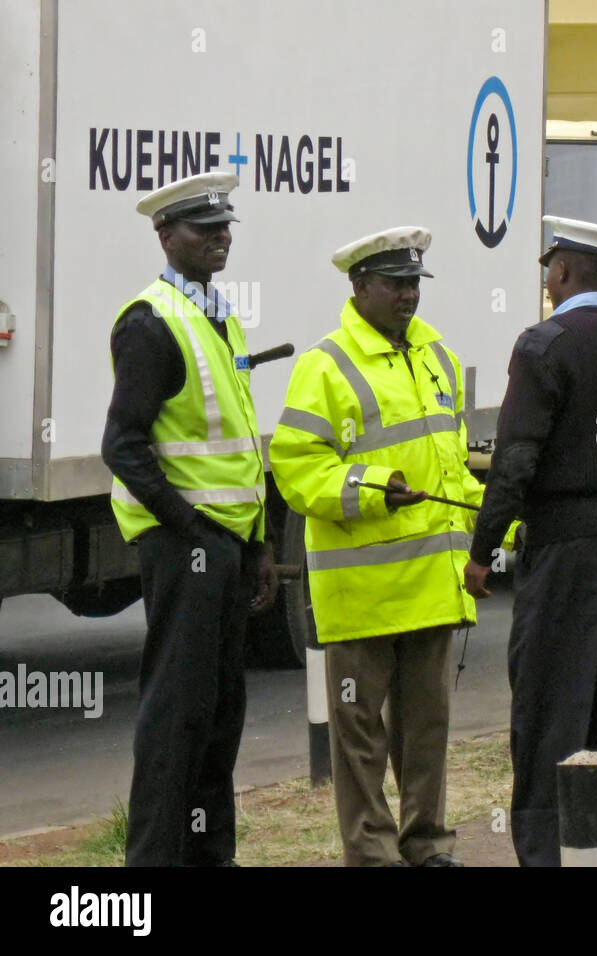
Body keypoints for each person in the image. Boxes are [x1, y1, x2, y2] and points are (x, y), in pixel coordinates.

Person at [270, 226, 497, 866]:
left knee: (426, 731)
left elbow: (455, 467)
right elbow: (295, 467)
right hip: (362, 593)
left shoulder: (438, 358)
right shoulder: (327, 365)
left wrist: (493, 530)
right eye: (394, 284)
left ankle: (426, 846)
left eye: (413, 284)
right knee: (360, 738)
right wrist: (371, 487)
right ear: (358, 285)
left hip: (431, 589)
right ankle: (372, 855)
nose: (407, 296)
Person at [464, 216, 597, 867]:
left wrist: (482, 549)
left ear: (562, 272)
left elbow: (515, 462)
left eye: (547, 270)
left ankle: (547, 855)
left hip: (562, 549)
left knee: (550, 709)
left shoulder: (543, 347)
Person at [102, 171, 277, 866]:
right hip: (187, 548)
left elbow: (238, 442)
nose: (221, 238)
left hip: (229, 545)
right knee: (177, 716)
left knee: (219, 714)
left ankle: (211, 857)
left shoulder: (221, 315)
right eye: (205, 230)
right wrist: (189, 527)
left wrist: (258, 543)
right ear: (165, 236)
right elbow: (123, 446)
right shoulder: (148, 323)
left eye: (225, 227)